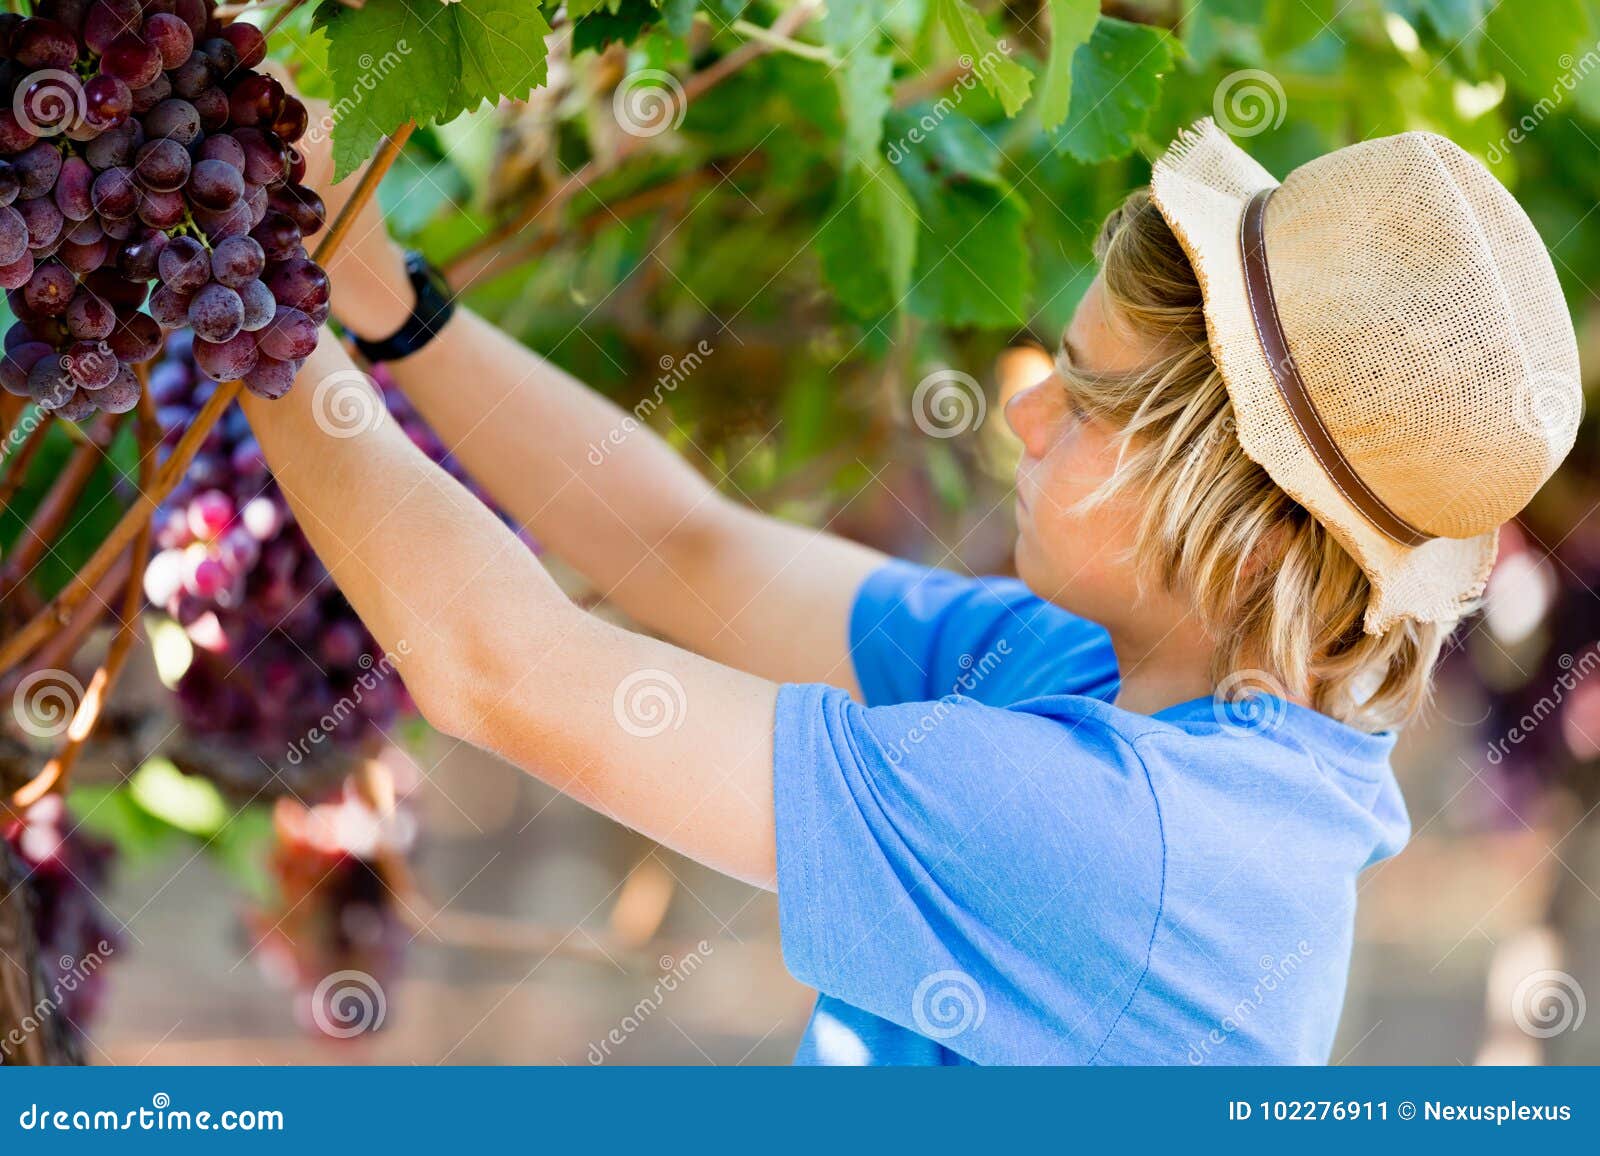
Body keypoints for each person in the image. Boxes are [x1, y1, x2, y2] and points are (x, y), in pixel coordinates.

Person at [241, 111, 1581, 1064]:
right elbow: (691, 548)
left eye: (1089, 405)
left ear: (1234, 533)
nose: (1030, 410)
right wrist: (372, 295)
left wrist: (252, 294)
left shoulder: (1114, 842)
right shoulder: (1111, 682)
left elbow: (504, 672)